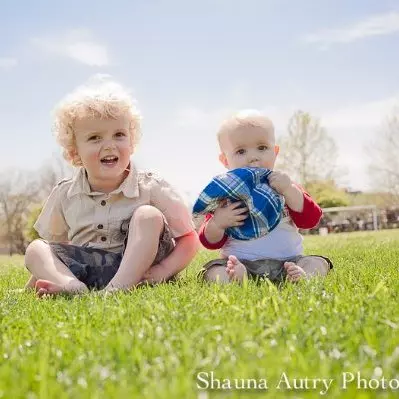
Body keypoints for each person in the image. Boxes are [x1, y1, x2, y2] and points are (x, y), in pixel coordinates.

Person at [23, 76, 199, 296]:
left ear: (131, 141)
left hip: (144, 269)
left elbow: (189, 239)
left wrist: (164, 270)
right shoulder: (65, 193)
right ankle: (72, 288)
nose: (109, 145)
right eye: (95, 137)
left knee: (147, 216)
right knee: (36, 248)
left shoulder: (152, 186)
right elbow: (55, 250)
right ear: (74, 152)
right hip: (90, 269)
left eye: (119, 135)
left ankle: (118, 289)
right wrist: (35, 281)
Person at [197, 110, 332, 284]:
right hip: (240, 263)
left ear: (275, 152)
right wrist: (218, 223)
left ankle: (301, 276)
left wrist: (289, 191)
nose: (253, 157)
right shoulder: (223, 197)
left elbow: (310, 220)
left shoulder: (284, 185)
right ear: (225, 160)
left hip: (289, 263)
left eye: (262, 148)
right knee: (214, 272)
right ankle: (238, 278)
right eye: (240, 151)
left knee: (316, 262)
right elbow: (210, 242)